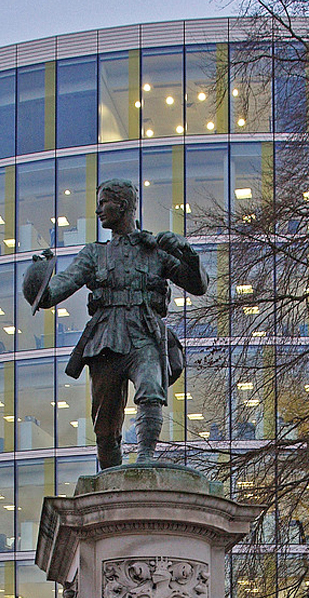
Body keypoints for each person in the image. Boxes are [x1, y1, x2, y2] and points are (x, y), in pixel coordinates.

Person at [22, 179, 208, 469]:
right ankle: (110, 479)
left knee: (150, 389)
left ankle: (146, 458)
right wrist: (39, 274)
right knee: (105, 426)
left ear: (123, 205)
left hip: (145, 333)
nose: (98, 210)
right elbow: (54, 292)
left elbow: (198, 285)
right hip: (106, 341)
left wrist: (186, 251)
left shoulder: (155, 251)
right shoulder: (94, 254)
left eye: (104, 202)